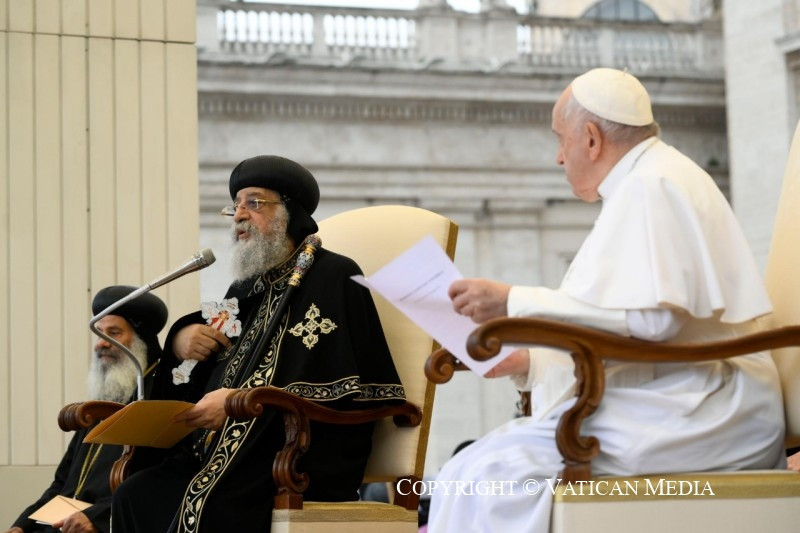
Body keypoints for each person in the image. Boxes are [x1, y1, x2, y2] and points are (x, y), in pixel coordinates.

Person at [427, 68, 785, 532]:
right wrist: (529, 361)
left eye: (561, 139)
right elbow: (630, 325)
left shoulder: (652, 185)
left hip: (710, 405)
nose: (559, 157)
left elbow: (652, 324)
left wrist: (513, 303)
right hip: (678, 391)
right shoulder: (645, 181)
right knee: (468, 470)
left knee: (489, 474)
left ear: (591, 139)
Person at [112, 155, 406, 533]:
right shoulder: (244, 286)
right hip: (225, 449)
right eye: (234, 206)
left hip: (293, 451)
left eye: (253, 202)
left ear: (290, 211)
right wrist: (183, 340)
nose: (238, 215)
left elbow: (338, 382)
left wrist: (239, 404)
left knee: (207, 500)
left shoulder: (335, 274)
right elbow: (203, 362)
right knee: (136, 493)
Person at [7, 286, 168, 533]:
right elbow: (62, 484)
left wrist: (97, 517)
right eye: (99, 333)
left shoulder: (158, 398)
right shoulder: (101, 401)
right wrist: (22, 526)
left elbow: (158, 484)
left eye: (114, 333)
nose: (101, 344)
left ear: (141, 341)